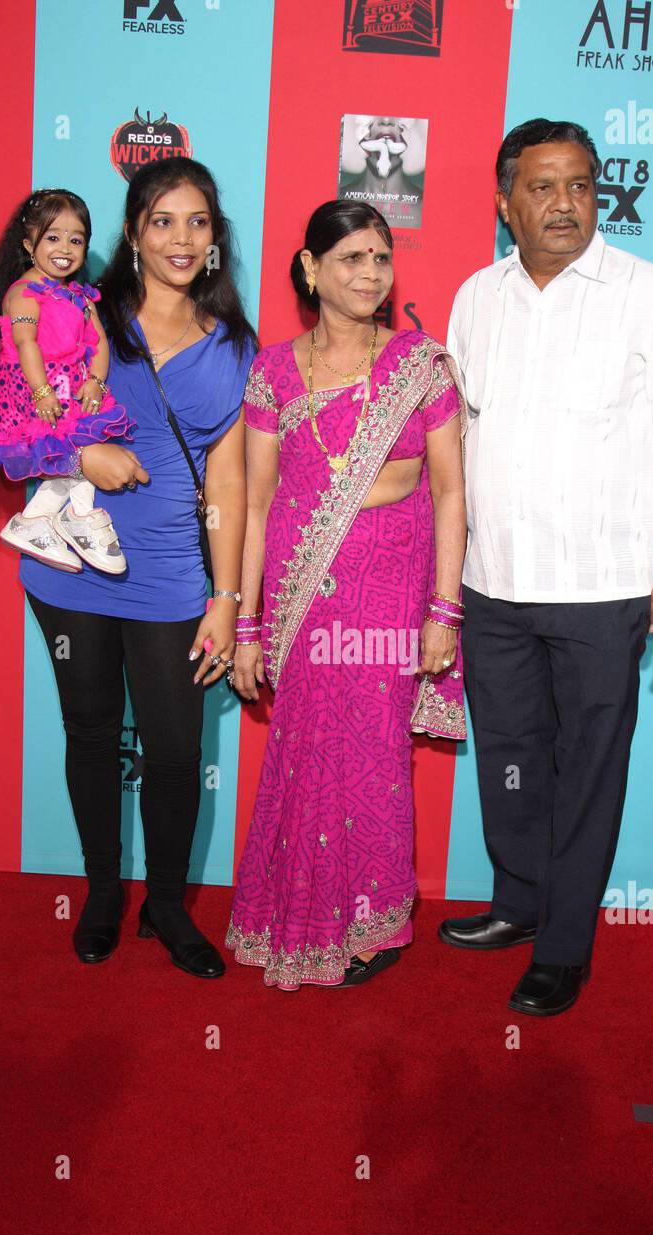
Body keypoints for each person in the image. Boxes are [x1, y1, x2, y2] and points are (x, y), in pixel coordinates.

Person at [441, 118, 653, 1017]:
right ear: (504, 202)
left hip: (604, 587)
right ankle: (520, 905)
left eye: (580, 186)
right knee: (511, 761)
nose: (565, 205)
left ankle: (565, 946)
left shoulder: (652, 294)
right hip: (494, 583)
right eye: (543, 187)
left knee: (589, 765)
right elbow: (463, 436)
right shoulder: (476, 297)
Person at [0, 158, 253, 976]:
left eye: (198, 222)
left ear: (215, 240)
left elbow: (231, 481)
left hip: (175, 573)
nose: (181, 238)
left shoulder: (232, 346)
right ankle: (104, 890)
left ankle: (168, 906)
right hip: (74, 562)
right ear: (134, 233)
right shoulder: (79, 310)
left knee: (176, 750)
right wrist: (80, 447)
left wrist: (226, 597)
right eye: (163, 221)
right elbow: (2, 406)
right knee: (94, 731)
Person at [227, 200, 467, 991]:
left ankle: (374, 919)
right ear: (310, 268)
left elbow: (448, 496)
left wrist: (443, 610)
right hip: (302, 598)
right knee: (302, 755)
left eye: (381, 258)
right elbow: (256, 503)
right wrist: (251, 626)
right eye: (351, 259)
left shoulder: (420, 365)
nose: (370, 275)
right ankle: (298, 917)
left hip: (390, 598)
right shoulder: (272, 371)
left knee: (372, 760)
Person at [0, 188, 135, 574]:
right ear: (29, 244)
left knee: (79, 449)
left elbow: (98, 342)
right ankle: (74, 515)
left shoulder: (80, 295)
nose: (65, 247)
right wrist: (42, 392)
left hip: (70, 390)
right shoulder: (24, 294)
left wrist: (96, 380)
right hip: (27, 396)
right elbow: (25, 343)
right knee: (71, 454)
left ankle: (42, 519)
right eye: (53, 237)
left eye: (76, 239)